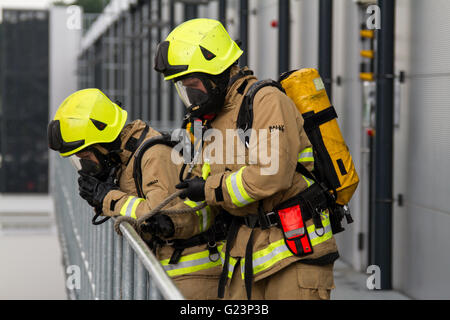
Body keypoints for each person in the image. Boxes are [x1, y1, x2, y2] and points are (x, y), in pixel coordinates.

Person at [153, 18, 339, 300]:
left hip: (295, 253)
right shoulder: (213, 120)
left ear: (217, 75)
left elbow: (270, 175)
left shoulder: (265, 101)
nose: (190, 98)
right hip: (246, 252)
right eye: (183, 88)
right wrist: (165, 220)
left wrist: (209, 189)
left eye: (193, 86)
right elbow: (199, 185)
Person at [47, 88, 224, 299]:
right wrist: (102, 196)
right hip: (169, 274)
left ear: (102, 143)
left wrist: (108, 198)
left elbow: (158, 217)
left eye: (85, 156)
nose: (84, 165)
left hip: (190, 277)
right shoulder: (124, 157)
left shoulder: (153, 155)